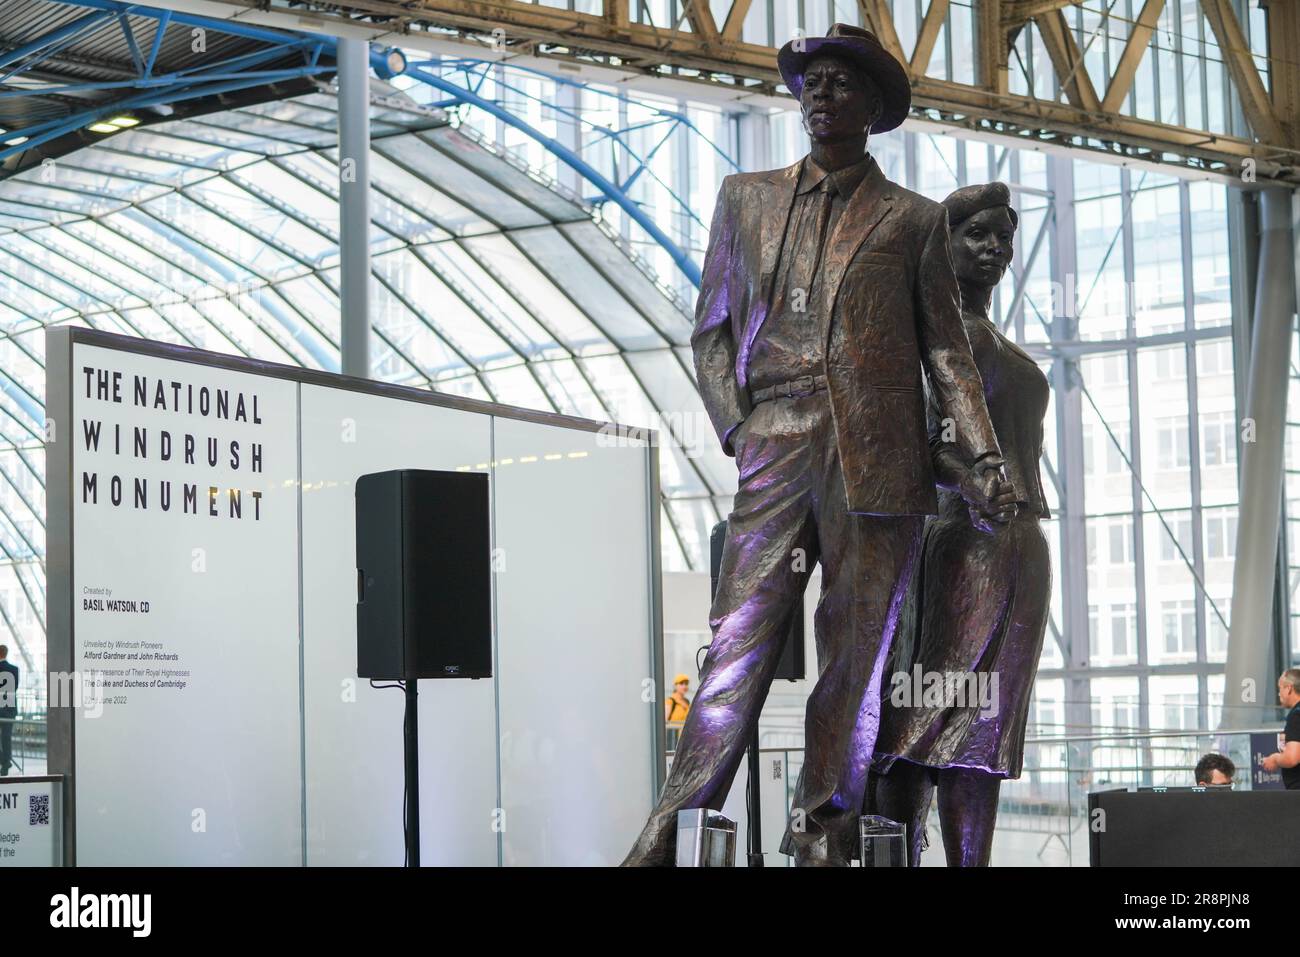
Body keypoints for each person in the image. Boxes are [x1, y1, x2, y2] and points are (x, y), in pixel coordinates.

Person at [622, 24, 1005, 867]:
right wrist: (737, 425)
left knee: (856, 654)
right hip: (776, 440)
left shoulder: (913, 220)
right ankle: (672, 826)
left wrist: (982, 459)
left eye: (841, 84)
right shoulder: (743, 197)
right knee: (736, 639)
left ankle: (823, 832)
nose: (822, 95)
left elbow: (947, 353)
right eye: (812, 83)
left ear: (873, 107)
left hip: (879, 455)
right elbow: (711, 333)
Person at [869, 182, 1049, 867]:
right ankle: (896, 855)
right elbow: (918, 438)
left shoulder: (994, 339)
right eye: (977, 233)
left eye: (1004, 236)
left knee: (985, 730)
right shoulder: (931, 343)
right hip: (957, 542)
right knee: (920, 717)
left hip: (1021, 545)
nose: (995, 248)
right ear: (941, 247)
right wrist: (971, 480)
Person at [1261, 668, 1300, 789]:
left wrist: (1275, 759)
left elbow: (1292, 758)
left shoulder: (1296, 715)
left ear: (1289, 688)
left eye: (1280, 688)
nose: (1279, 693)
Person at [0, 644, 18, 777]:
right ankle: (6, 763)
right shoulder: (14, 669)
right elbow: (14, 688)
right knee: (6, 738)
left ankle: (4, 760)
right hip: (10, 708)